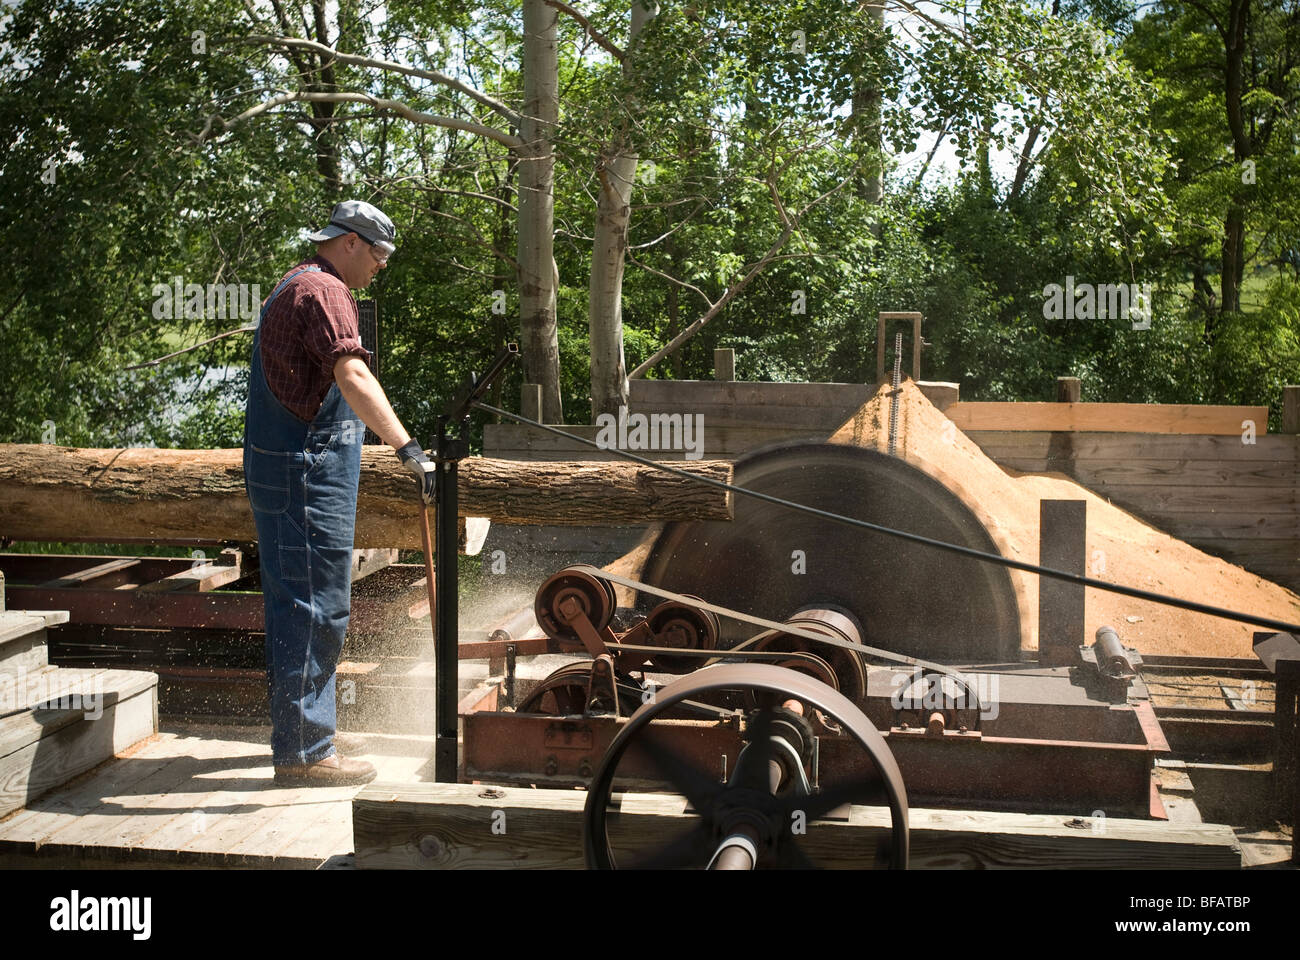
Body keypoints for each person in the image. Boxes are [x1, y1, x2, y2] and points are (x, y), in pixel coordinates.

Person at [243, 200, 434, 785]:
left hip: (291, 468)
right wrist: (409, 451)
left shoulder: (294, 283)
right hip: (304, 472)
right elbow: (351, 375)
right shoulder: (324, 292)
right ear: (349, 242)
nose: (379, 267)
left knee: (298, 606)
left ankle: (302, 739)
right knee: (314, 608)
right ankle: (305, 755)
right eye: (377, 254)